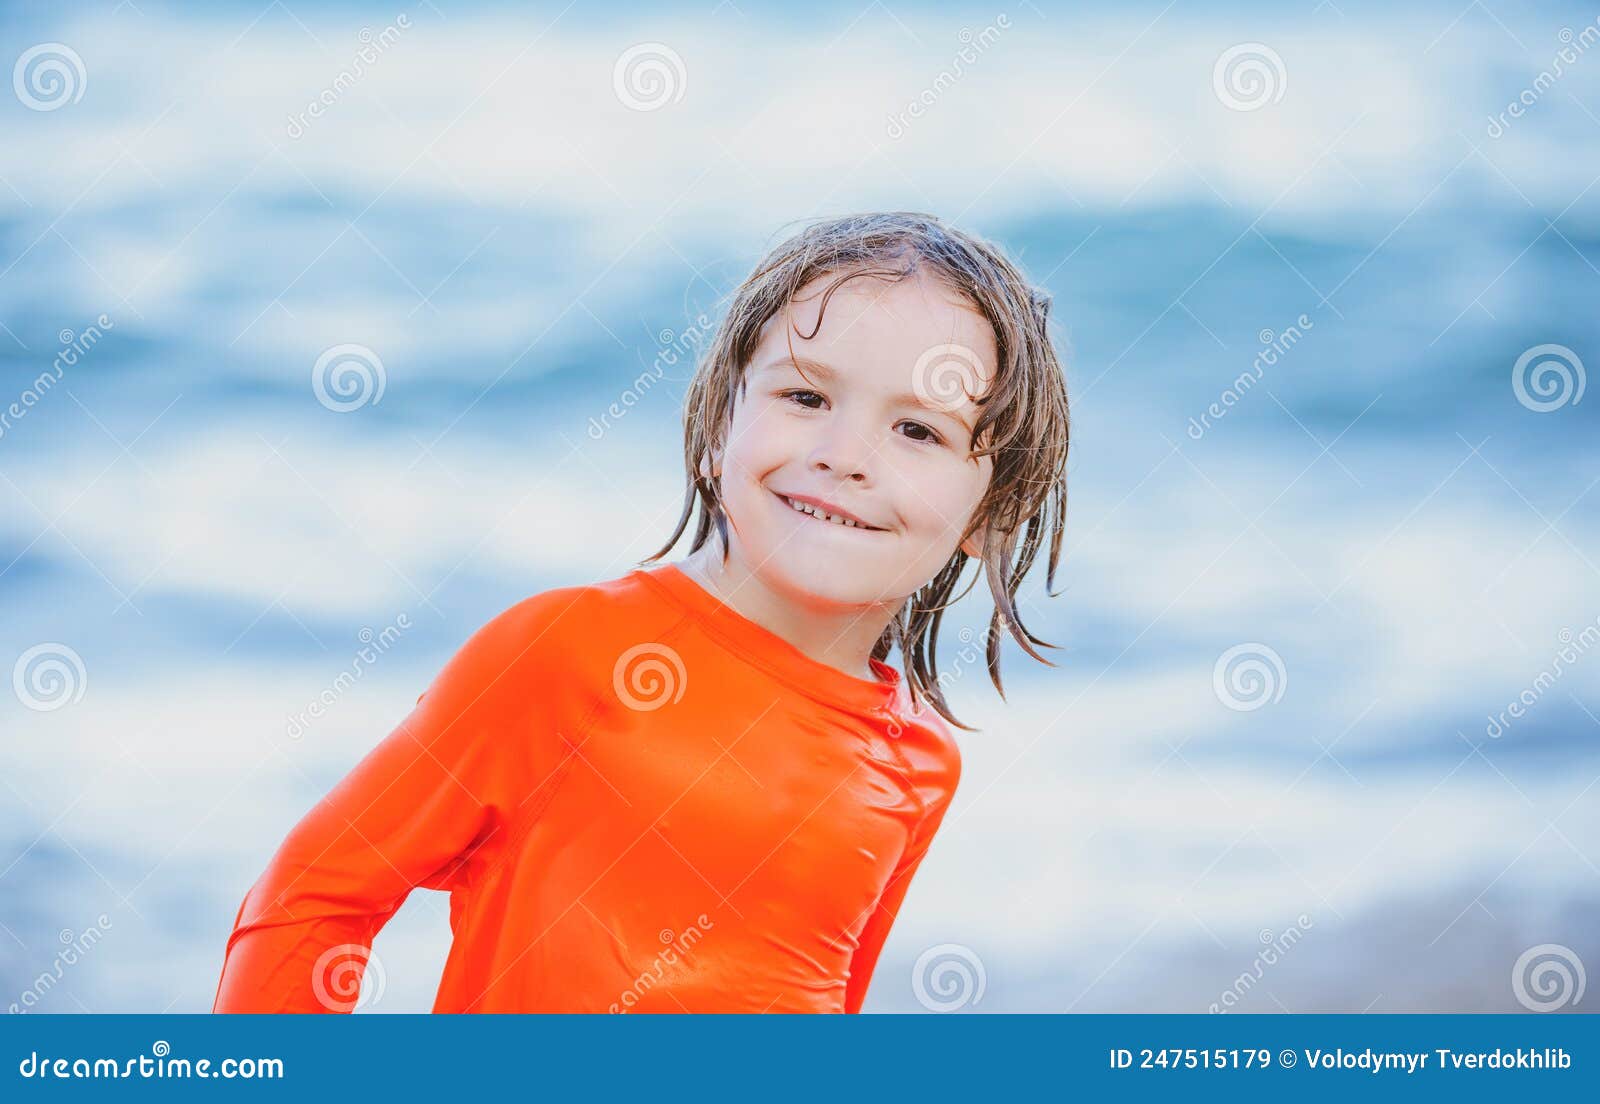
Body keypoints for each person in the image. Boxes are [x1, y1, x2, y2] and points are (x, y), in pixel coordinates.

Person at [211, 211, 1070, 1013]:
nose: (843, 456)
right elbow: (311, 897)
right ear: (717, 423)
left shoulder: (918, 764)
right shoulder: (570, 652)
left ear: (991, 517)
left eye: (918, 431)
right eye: (805, 398)